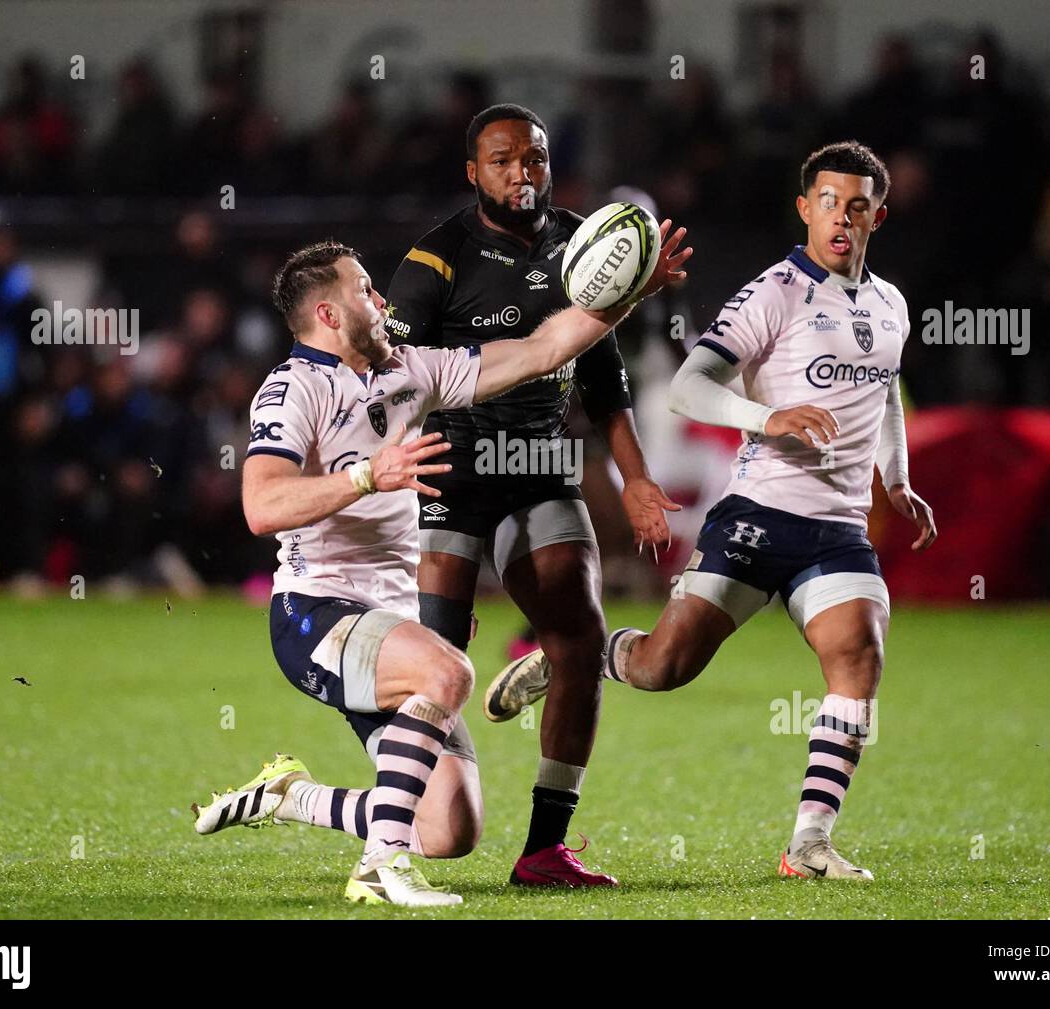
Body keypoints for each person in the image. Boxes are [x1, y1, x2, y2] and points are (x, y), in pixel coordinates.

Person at [191, 228, 689, 907]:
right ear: (330, 315)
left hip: (390, 619)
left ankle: (291, 796)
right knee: (448, 670)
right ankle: (377, 868)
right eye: (365, 288)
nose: (381, 297)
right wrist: (369, 474)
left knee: (450, 828)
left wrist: (627, 290)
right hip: (316, 613)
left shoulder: (411, 370)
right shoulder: (291, 390)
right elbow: (261, 503)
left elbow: (543, 349)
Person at [486, 141, 936, 881]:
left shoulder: (890, 303)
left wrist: (899, 475)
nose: (841, 218)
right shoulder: (775, 292)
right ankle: (587, 654)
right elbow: (689, 388)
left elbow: (885, 391)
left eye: (857, 206)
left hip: (838, 530)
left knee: (858, 656)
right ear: (806, 208)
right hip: (758, 514)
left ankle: (809, 841)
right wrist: (768, 418)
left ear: (877, 216)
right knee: (663, 669)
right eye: (827, 202)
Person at [383, 104, 682, 887]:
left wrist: (638, 478)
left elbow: (605, 383)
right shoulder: (434, 260)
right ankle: (401, 824)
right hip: (448, 472)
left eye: (537, 158)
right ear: (473, 172)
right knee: (436, 663)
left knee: (578, 636)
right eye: (505, 159)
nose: (524, 172)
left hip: (542, 467)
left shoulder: (585, 244)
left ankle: (545, 848)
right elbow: (392, 381)